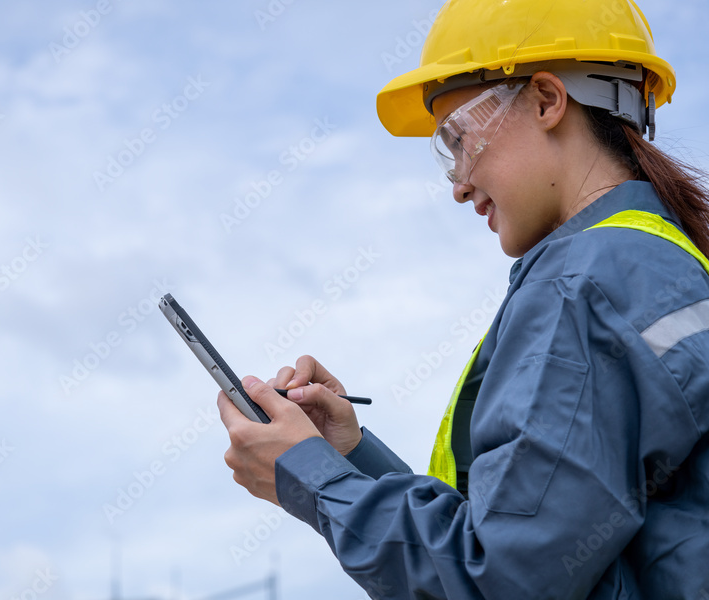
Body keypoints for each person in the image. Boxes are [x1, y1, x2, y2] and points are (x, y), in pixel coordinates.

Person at [216, 0, 709, 598]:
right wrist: (346, 455)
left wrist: (309, 476)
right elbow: (523, 543)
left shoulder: (583, 285)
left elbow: (501, 580)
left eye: (458, 139)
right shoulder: (658, 263)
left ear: (547, 101)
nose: (457, 183)